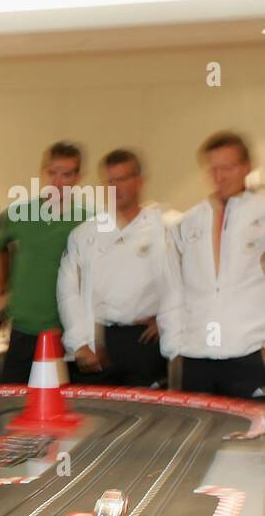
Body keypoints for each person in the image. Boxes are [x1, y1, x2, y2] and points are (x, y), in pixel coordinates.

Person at [162, 131, 265, 398]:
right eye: (213, 168)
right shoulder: (189, 221)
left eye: (228, 168)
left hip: (248, 354)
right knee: (196, 438)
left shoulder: (261, 213)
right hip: (195, 356)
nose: (220, 177)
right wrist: (173, 347)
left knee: (247, 439)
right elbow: (173, 288)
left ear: (246, 167)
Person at [57, 149, 171, 386]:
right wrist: (80, 344)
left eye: (122, 179)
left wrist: (167, 320)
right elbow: (69, 291)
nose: (115, 187)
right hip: (98, 340)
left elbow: (187, 281)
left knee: (149, 419)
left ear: (139, 181)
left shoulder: (164, 228)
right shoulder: (85, 234)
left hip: (145, 342)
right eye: (109, 181)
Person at [0, 141, 89, 383]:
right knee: (12, 404)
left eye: (66, 175)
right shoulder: (17, 213)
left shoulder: (89, 220)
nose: (58, 181)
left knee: (62, 408)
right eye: (52, 172)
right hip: (23, 326)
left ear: (78, 178)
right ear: (43, 172)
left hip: (67, 329)